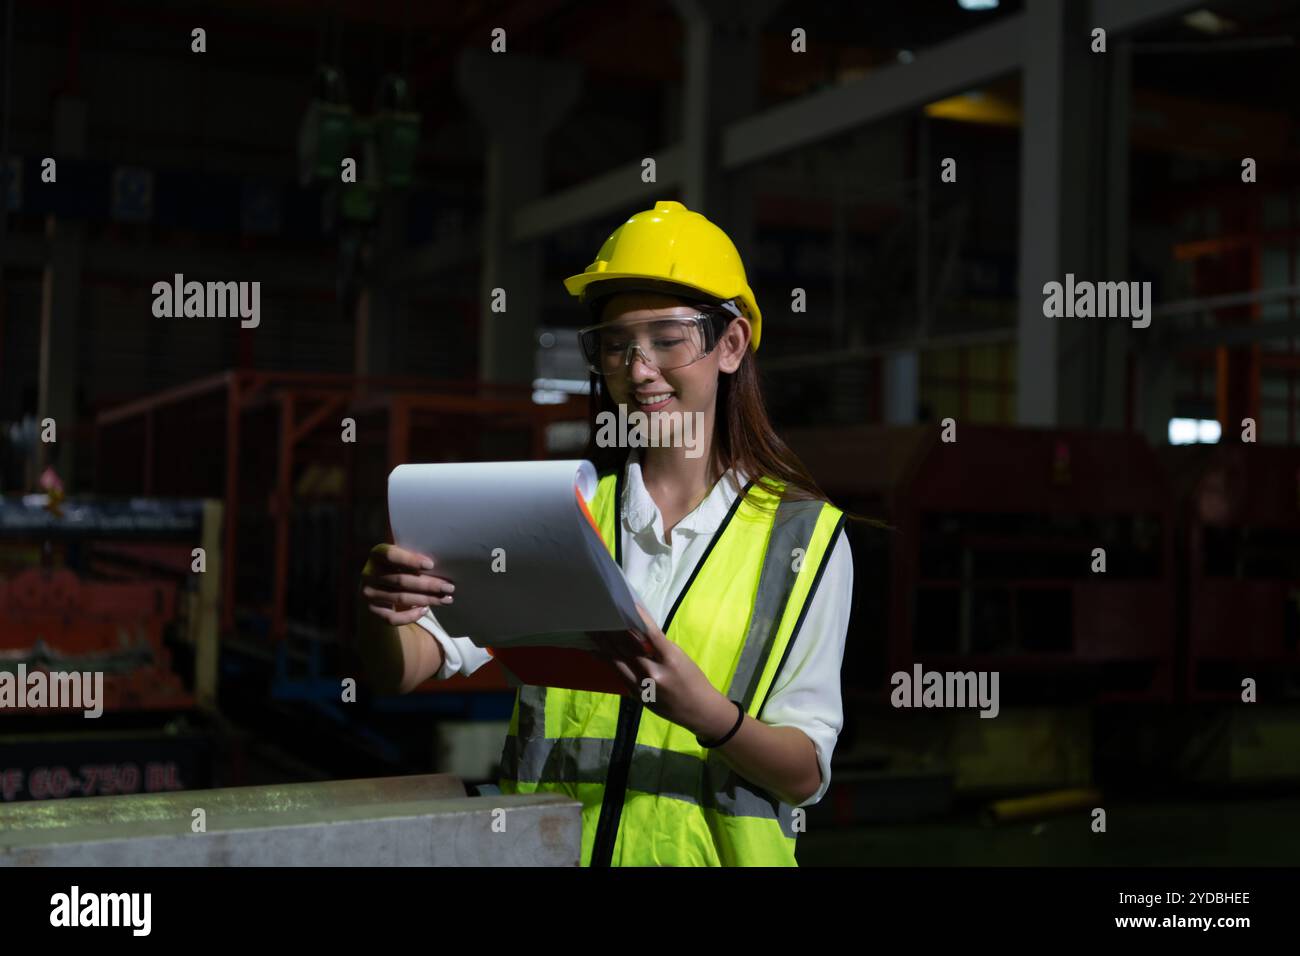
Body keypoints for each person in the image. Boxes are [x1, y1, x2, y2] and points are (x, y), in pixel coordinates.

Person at [359, 200, 852, 866]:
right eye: (617, 345)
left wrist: (708, 713)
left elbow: (805, 772)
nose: (638, 368)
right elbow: (410, 664)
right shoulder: (560, 513)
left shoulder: (806, 543)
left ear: (730, 345)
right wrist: (385, 611)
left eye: (666, 339)